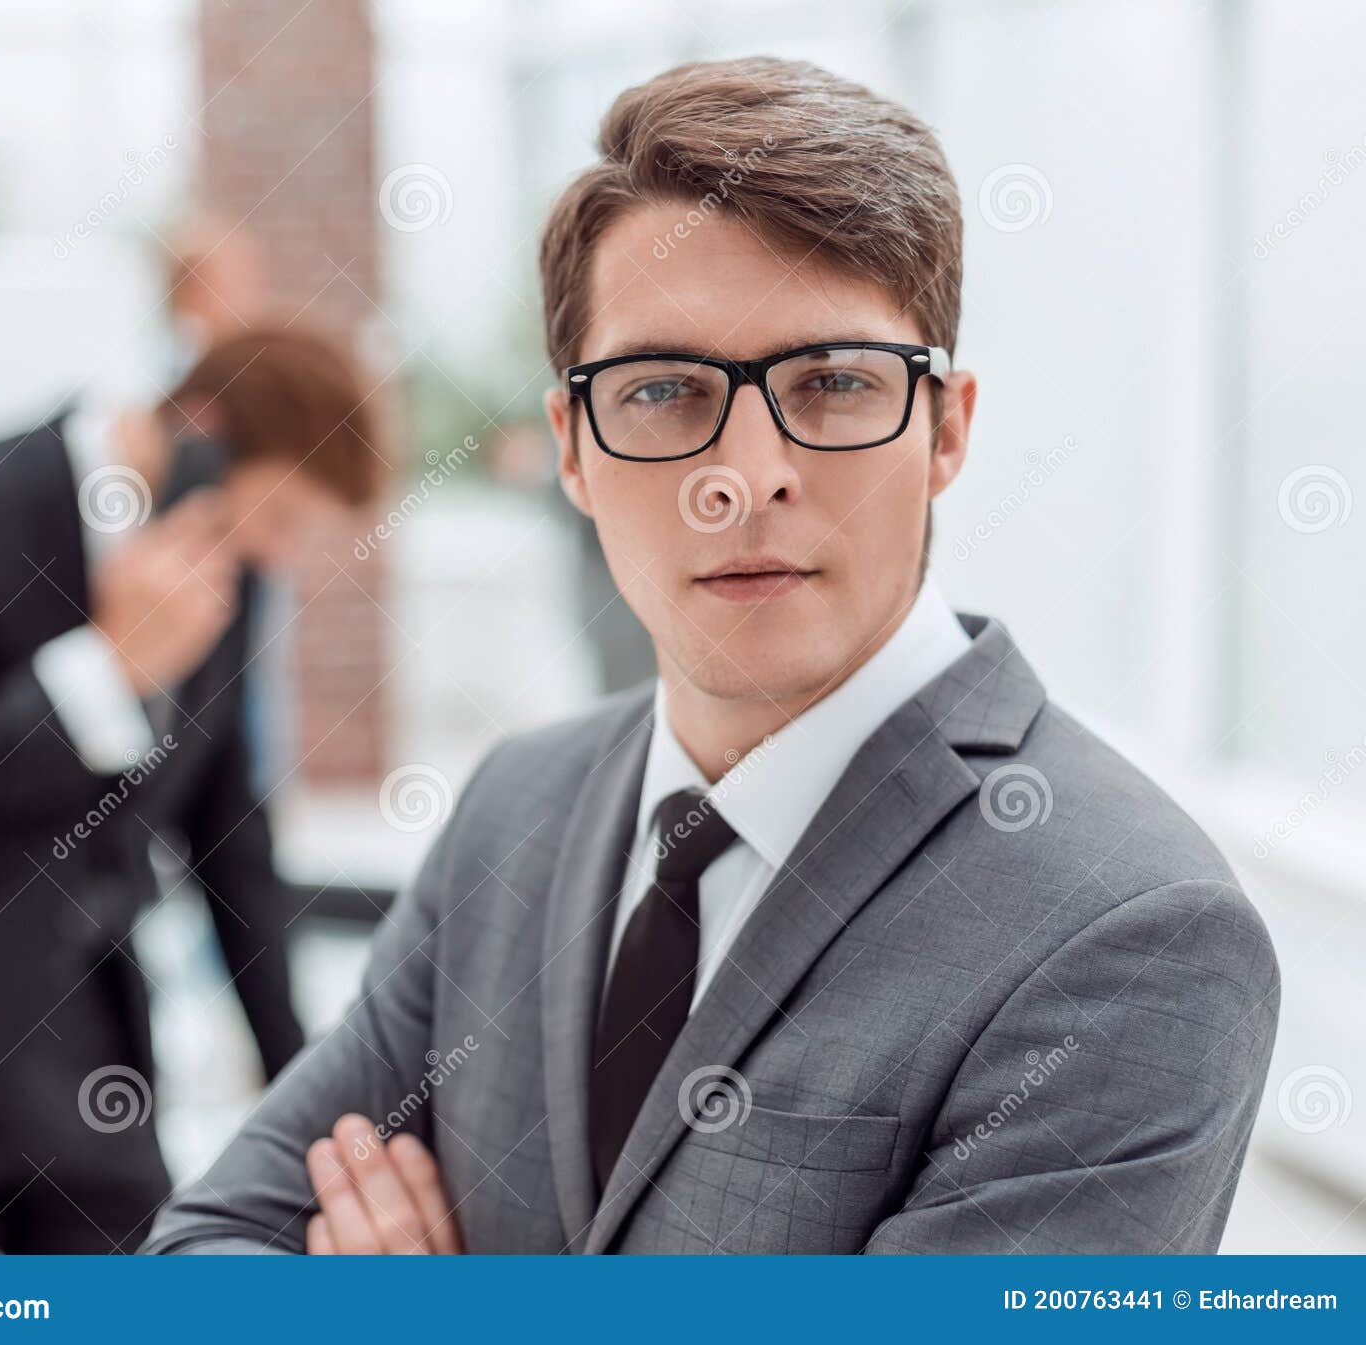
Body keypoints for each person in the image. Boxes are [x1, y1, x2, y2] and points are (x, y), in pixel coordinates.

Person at [144, 57, 1279, 1256]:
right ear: (573, 449)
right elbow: (206, 1245)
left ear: (945, 429)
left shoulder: (1132, 930)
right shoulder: (517, 804)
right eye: (665, 392)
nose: (744, 473)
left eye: (832, 383)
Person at [0, 327, 378, 1253]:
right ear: (202, 434)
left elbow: (229, 843)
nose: (278, 554)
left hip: (86, 1082)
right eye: (284, 518)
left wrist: (309, 1097)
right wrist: (106, 671)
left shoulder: (228, 565)